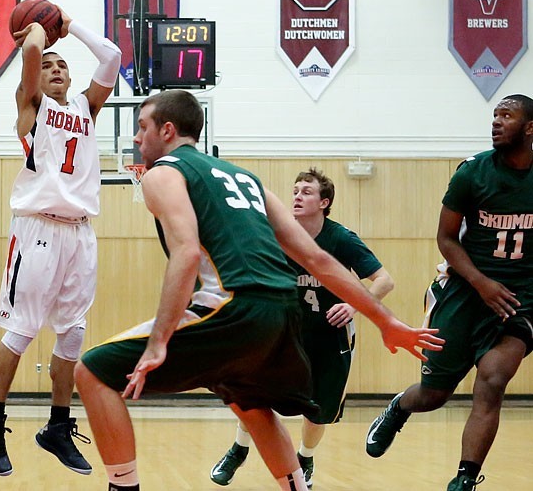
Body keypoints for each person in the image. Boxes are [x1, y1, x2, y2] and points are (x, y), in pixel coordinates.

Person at [73, 90, 443, 491]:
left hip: (233, 305)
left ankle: (122, 486)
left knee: (92, 371)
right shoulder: (247, 179)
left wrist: (159, 341)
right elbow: (317, 260)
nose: (136, 139)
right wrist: (386, 321)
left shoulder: (163, 173)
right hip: (282, 313)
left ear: (167, 129)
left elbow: (185, 252)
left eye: (142, 127)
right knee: (250, 404)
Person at [0, 8, 121, 477]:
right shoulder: (32, 107)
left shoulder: (85, 108)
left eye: (63, 66)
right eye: (50, 67)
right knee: (21, 330)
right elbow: (33, 51)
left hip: (80, 232)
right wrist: (38, 28)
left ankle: (57, 426)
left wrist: (71, 23)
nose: (55, 70)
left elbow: (113, 54)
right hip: (37, 228)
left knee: (73, 332)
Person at [365, 94, 533, 491]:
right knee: (434, 394)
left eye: (506, 116)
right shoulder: (472, 173)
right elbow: (445, 238)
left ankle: (465, 478)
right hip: (465, 288)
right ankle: (398, 407)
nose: (496, 122)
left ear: (530, 127)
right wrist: (482, 283)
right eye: (494, 115)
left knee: (493, 378)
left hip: (521, 296)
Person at [210, 168, 395, 488]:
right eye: (295, 190)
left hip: (328, 335)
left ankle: (305, 458)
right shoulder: (277, 234)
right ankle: (239, 449)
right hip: (284, 332)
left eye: (306, 192)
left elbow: (384, 281)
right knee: (254, 393)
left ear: (324, 202)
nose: (297, 195)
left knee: (319, 412)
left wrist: (354, 305)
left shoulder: (340, 238)